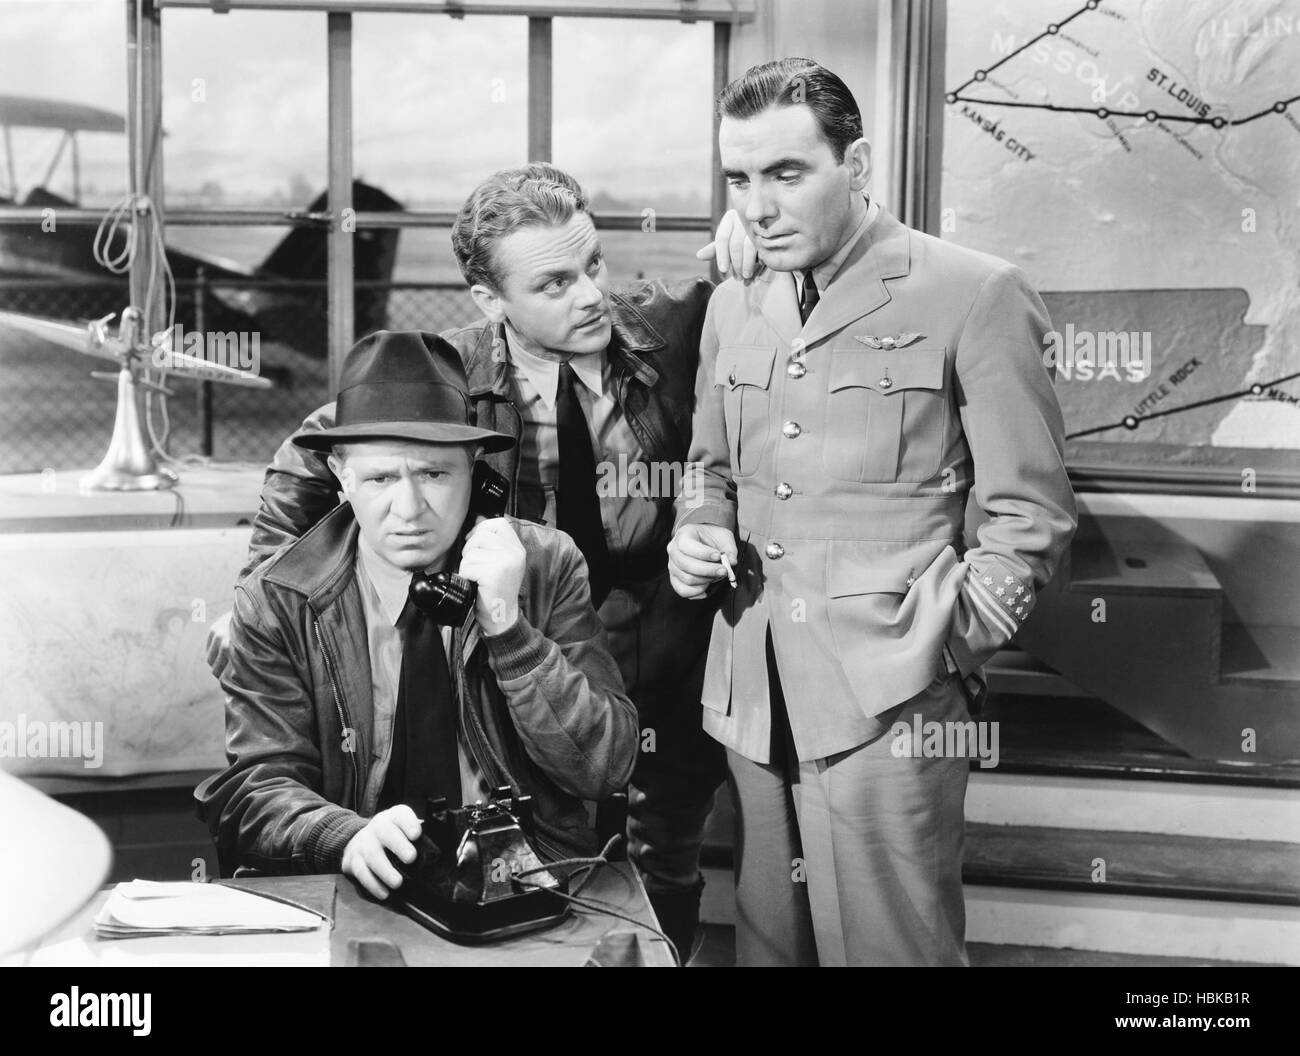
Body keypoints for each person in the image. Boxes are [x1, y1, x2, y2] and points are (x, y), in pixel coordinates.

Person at [220, 164, 726, 956]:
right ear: (492, 300)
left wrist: (750, 252)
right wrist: (259, 590)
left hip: (649, 626)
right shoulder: (448, 370)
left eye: (593, 265)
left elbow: (738, 420)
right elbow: (316, 455)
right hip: (512, 615)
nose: (591, 294)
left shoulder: (675, 324)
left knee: (664, 842)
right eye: (554, 283)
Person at [667, 57, 1078, 966]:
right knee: (770, 948)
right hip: (754, 688)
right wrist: (696, 530)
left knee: (896, 952)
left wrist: (943, 646)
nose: (757, 206)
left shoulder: (973, 291)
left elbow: (1032, 515)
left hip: (891, 699)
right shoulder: (735, 300)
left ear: (855, 165)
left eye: (787, 173)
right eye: (739, 179)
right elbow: (710, 469)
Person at [196, 331, 637, 894]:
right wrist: (344, 837)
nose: (408, 510)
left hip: (524, 872)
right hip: (350, 876)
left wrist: (510, 631)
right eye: (381, 478)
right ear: (341, 473)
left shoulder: (545, 565)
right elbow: (256, 788)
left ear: (476, 468)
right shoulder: (278, 598)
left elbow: (604, 767)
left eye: (434, 474)